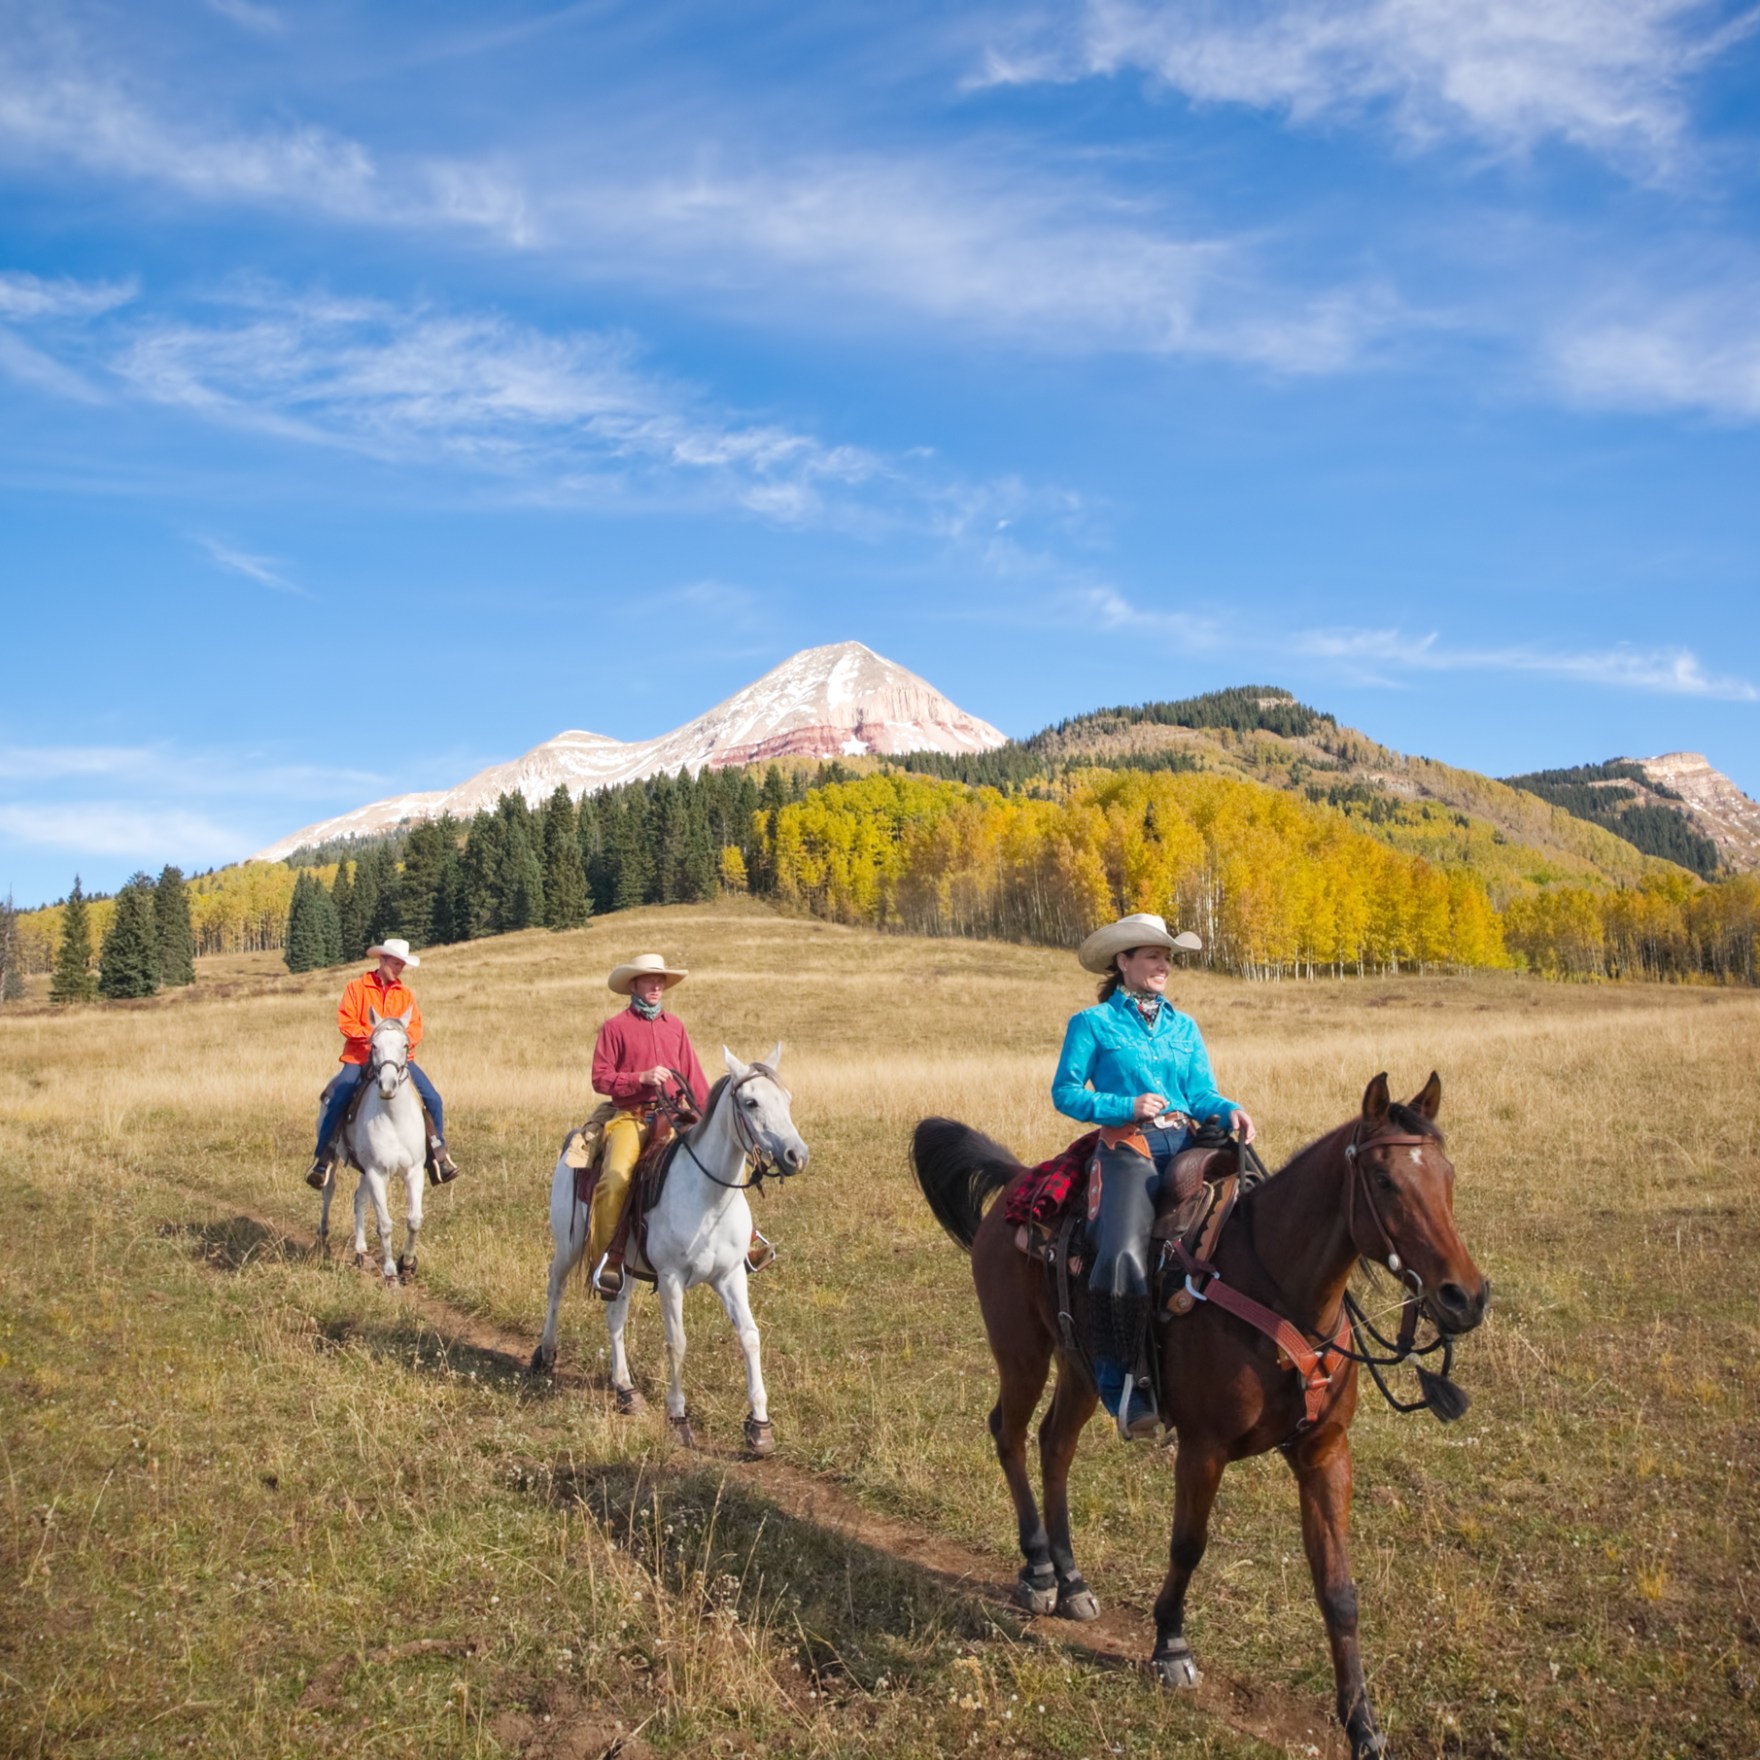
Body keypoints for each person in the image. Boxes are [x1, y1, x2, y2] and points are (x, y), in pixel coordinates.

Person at [1051, 912, 1255, 1440]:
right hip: (1128, 1149)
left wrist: (1230, 1109)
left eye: (1167, 956)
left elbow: (1202, 1092)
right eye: (1152, 955)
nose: (1164, 964)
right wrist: (1126, 1105)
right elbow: (1066, 1093)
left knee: (1257, 1211)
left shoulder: (1184, 1027)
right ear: (1124, 963)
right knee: (1120, 1252)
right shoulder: (1092, 1024)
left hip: (1189, 1146)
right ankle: (1119, 1381)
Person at [585, 952, 709, 1297]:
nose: (657, 986)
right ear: (633, 985)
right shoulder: (614, 1028)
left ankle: (741, 1243)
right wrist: (641, 1078)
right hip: (632, 1117)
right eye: (649, 980)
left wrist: (708, 1115)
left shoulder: (676, 1027)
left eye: (660, 981)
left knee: (717, 1161)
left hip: (677, 1114)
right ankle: (607, 1260)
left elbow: (695, 1078)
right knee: (615, 1179)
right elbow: (600, 1078)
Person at [307, 938, 459, 1189]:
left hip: (398, 1062)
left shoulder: (406, 995)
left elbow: (416, 1029)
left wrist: (398, 1044)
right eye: (396, 963)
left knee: (433, 1098)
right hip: (360, 1056)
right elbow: (346, 1022)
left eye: (402, 965)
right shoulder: (357, 988)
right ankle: (323, 1160)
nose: (399, 969)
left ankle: (437, 1157)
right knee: (339, 1095)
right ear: (382, 960)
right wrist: (374, 1037)